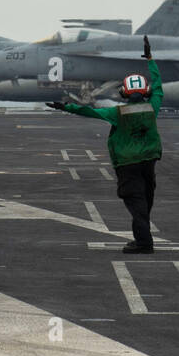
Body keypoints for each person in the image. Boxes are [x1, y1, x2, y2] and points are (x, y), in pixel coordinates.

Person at [48, 36, 163, 254]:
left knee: (135, 201)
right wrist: (150, 60)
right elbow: (158, 87)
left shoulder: (116, 112)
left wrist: (66, 107)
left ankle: (144, 243)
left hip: (127, 163)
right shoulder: (152, 108)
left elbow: (89, 111)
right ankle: (142, 237)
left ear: (125, 93)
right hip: (149, 162)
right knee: (146, 199)